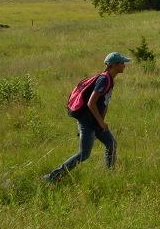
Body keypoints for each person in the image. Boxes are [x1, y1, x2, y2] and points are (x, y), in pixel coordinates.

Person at [44, 52, 130, 182]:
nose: (124, 65)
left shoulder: (110, 80)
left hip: (95, 121)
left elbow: (104, 103)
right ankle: (52, 177)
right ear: (114, 65)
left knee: (111, 143)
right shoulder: (104, 80)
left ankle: (109, 176)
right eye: (122, 63)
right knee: (84, 154)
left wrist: (101, 122)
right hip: (87, 122)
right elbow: (91, 103)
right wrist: (101, 123)